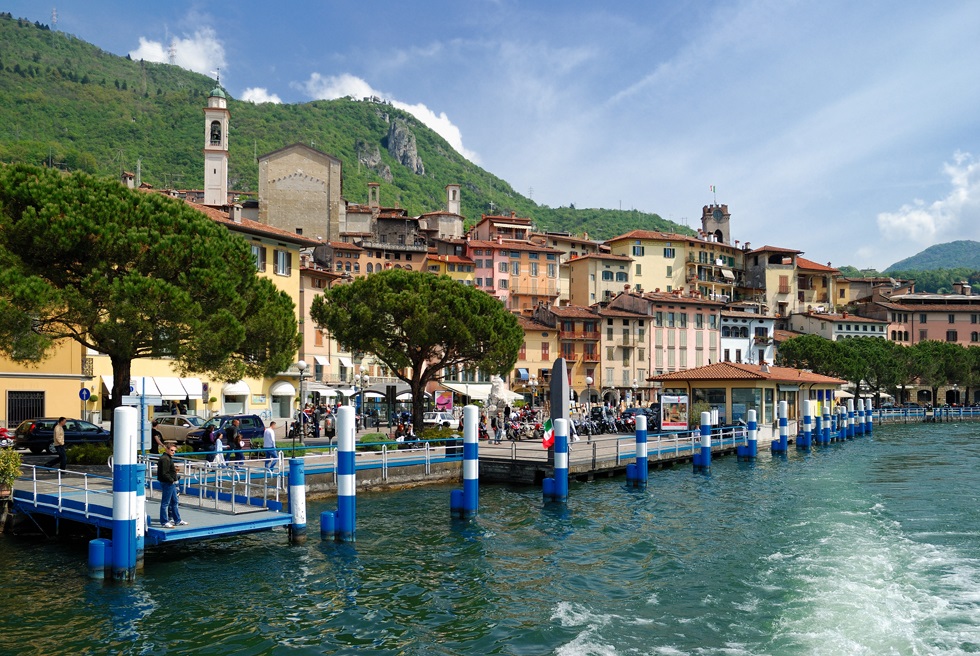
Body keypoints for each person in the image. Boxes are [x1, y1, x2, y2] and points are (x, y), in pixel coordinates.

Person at [157, 441, 187, 528]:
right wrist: (171, 480)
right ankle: (164, 521)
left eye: (174, 450)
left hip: (171, 482)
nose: (173, 452)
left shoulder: (168, 458)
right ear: (166, 449)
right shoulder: (165, 459)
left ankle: (177, 520)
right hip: (168, 483)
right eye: (171, 450)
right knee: (165, 503)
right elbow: (164, 473)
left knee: (174, 501)